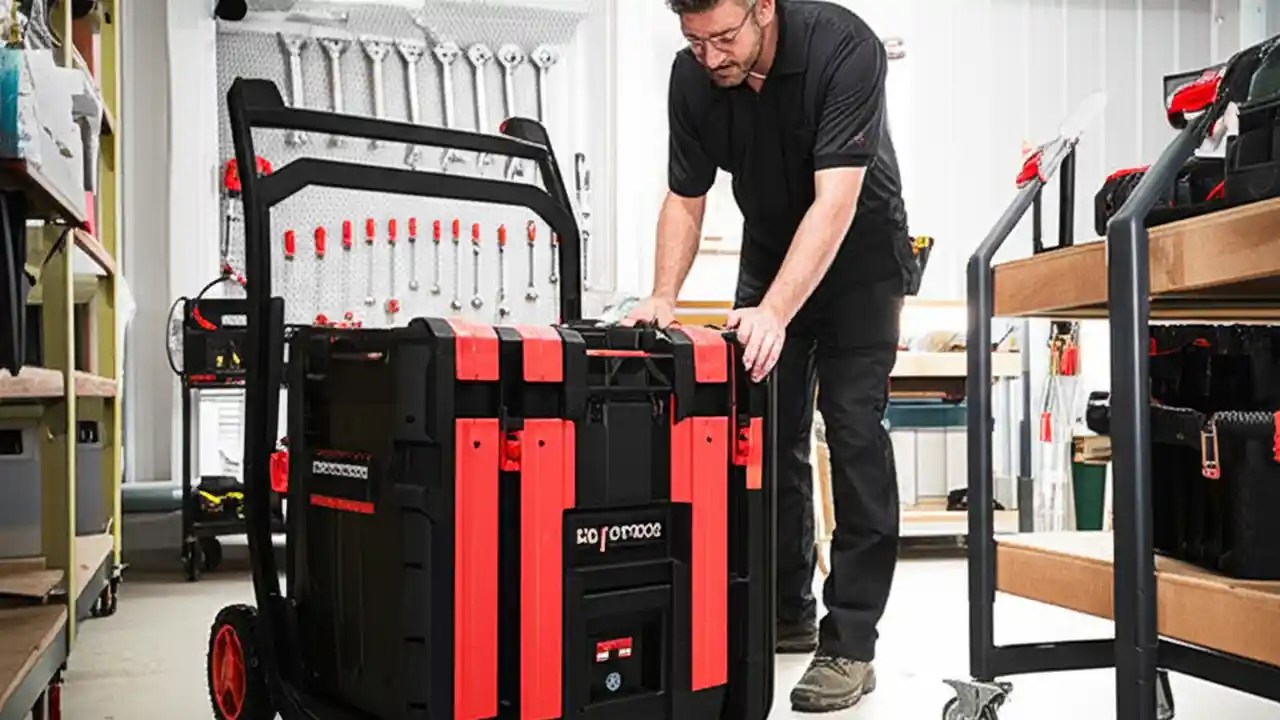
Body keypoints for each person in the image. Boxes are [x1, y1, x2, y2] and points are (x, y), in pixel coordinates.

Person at [622, 0, 913, 712]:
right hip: (770, 253)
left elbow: (835, 204)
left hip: (859, 258)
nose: (710, 57)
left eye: (723, 38)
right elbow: (685, 198)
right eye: (695, 41)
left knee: (852, 429)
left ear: (763, 7)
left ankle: (850, 644)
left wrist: (775, 314)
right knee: (763, 435)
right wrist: (662, 295)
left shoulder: (844, 49)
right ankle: (784, 610)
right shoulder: (692, 77)